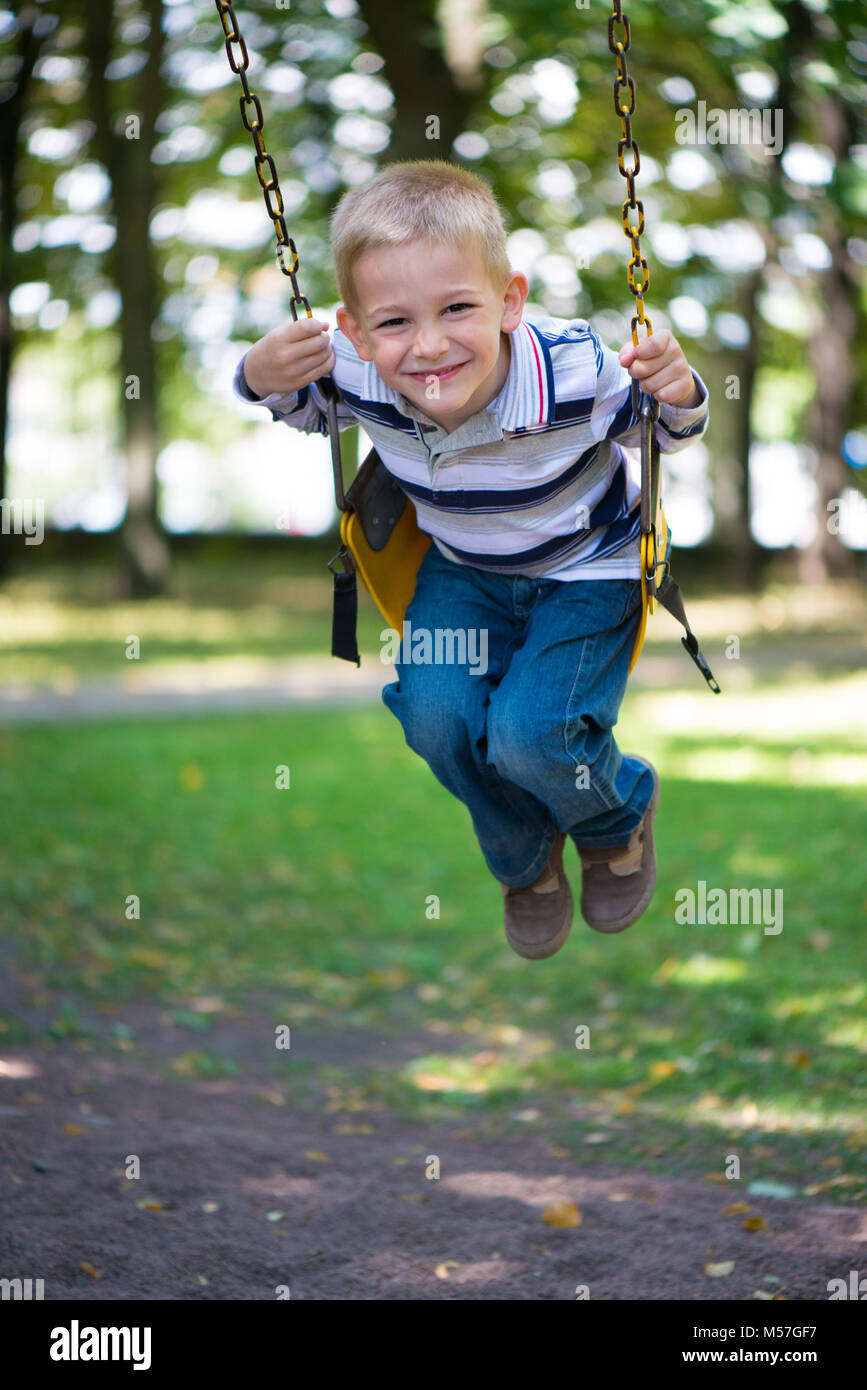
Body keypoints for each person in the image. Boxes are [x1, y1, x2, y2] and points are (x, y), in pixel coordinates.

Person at [232, 160, 710, 960]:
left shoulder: (576, 369)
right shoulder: (355, 373)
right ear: (352, 331)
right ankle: (525, 862)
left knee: (532, 735)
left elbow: (664, 433)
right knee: (436, 716)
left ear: (509, 301)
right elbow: (296, 403)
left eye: (457, 308)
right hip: (464, 570)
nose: (427, 347)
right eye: (391, 324)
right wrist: (256, 373)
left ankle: (613, 818)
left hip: (585, 567)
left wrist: (680, 389)